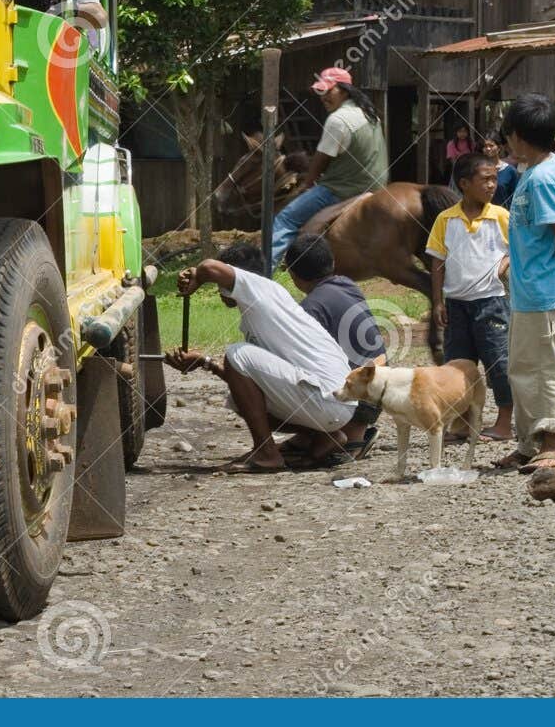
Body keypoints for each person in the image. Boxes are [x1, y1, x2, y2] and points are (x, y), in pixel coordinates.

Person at [164, 242, 353, 474]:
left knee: (237, 353)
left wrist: (196, 274)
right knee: (239, 396)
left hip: (326, 399)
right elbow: (250, 385)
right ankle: (326, 436)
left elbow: (209, 267)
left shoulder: (257, 287)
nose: (219, 291)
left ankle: (266, 453)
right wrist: (205, 363)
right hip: (338, 406)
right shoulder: (266, 301)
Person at [496, 93, 555, 475]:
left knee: (542, 368)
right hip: (526, 289)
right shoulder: (533, 172)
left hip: (542, 290)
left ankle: (553, 443)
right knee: (521, 367)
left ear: (517, 136)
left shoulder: (544, 177)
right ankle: (527, 443)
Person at [427, 150, 514, 441]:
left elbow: (517, 249)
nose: (492, 185)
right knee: (458, 367)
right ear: (464, 184)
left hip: (491, 302)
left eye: (494, 179)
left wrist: (504, 265)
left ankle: (504, 421)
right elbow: (437, 261)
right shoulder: (445, 219)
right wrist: (438, 301)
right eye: (485, 179)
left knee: (499, 363)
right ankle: (462, 423)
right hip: (456, 304)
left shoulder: (501, 216)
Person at [278, 233, 382, 466]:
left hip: (354, 398)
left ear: (293, 275)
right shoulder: (347, 285)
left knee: (283, 376)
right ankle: (344, 434)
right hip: (377, 392)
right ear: (332, 263)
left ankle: (341, 437)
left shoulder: (310, 308)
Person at [268, 67, 389, 267]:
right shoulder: (370, 114)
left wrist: (307, 186)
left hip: (341, 189)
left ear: (344, 90)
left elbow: (320, 161)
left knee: (285, 220)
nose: (323, 97)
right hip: (375, 185)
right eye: (321, 92)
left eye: (328, 91)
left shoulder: (337, 120)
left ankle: (264, 271)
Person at [488, 131, 520, 210]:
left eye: (491, 145)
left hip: (504, 217)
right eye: (485, 146)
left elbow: (517, 197)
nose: (488, 148)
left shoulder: (510, 171)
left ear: (499, 148)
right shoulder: (479, 169)